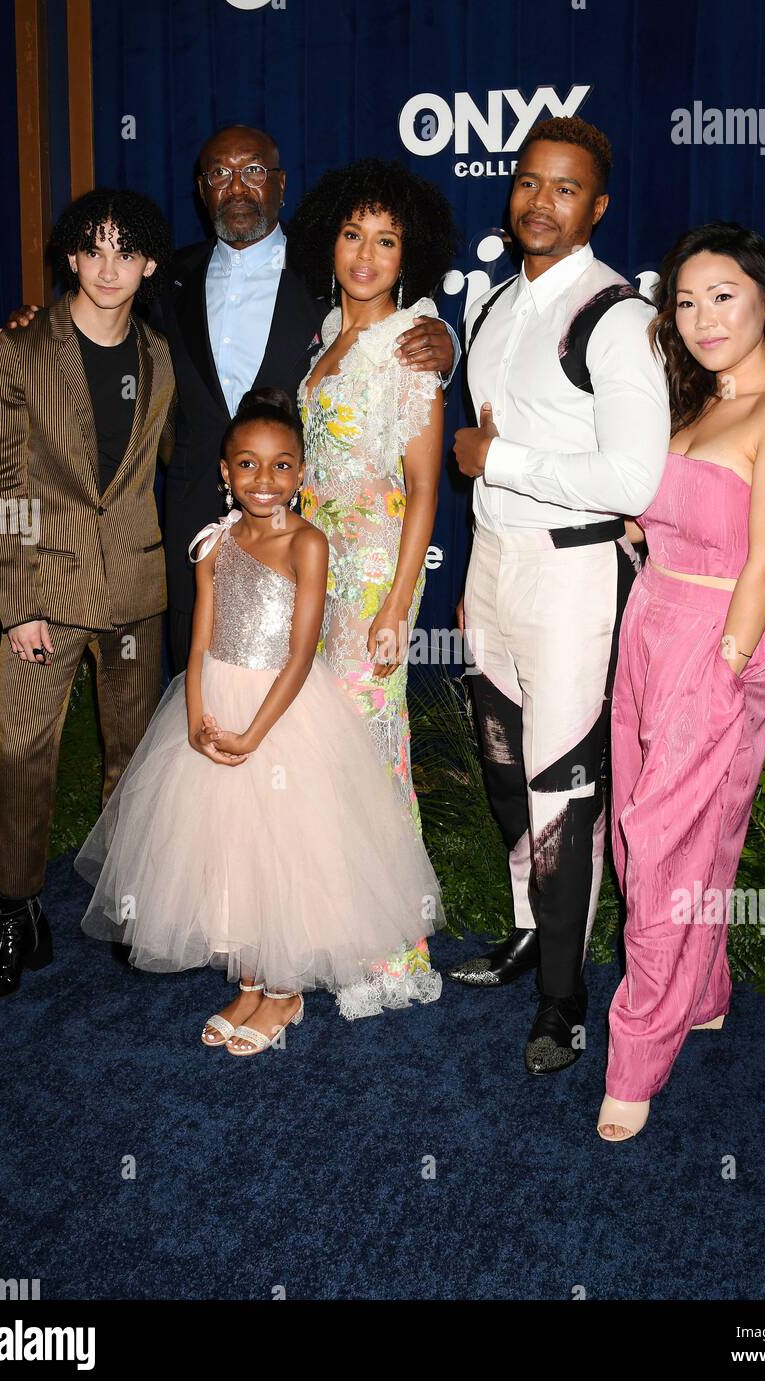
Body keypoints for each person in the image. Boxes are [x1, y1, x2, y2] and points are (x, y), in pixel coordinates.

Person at [5, 124, 458, 675]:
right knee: (201, 683)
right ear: (202, 189)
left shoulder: (327, 269)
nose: (237, 186)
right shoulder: (168, 276)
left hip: (300, 528)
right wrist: (38, 321)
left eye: (254, 171)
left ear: (281, 183)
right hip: (195, 513)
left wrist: (447, 344)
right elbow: (106, 325)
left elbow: (386, 333)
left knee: (297, 693)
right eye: (220, 173)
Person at [75, 389, 444, 1050]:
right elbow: (196, 642)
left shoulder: (308, 542)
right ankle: (249, 983)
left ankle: (285, 992)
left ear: (301, 475)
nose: (264, 480)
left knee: (287, 848)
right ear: (224, 472)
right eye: (247, 464)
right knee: (230, 850)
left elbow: (302, 655)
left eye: (280, 466)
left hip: (283, 712)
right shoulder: (215, 544)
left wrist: (253, 733)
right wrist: (195, 715)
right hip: (219, 694)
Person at [598, 222, 765, 1140]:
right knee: (663, 837)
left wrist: (724, 670)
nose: (700, 317)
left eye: (722, 295)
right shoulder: (691, 412)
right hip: (647, 625)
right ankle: (703, 990)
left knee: (661, 851)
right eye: (685, 301)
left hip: (713, 639)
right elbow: (673, 517)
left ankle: (636, 1056)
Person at [450, 117, 670, 1076]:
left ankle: (565, 1001)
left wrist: (504, 459)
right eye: (529, 184)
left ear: (599, 205)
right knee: (502, 767)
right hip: (492, 563)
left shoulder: (619, 317)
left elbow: (633, 477)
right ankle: (533, 930)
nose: (542, 202)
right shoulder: (493, 305)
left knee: (559, 791)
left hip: (572, 575)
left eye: (566, 188)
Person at [0, 189, 176, 1006]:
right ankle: (19, 917)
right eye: (93, 249)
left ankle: (122, 902)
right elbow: (0, 479)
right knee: (23, 760)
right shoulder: (22, 349)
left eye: (126, 251)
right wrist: (16, 604)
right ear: (71, 257)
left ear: (150, 263)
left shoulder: (158, 356)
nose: (108, 267)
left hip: (134, 590)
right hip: (44, 600)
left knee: (130, 760)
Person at [286, 158, 459, 1018]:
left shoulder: (412, 343)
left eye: (385, 241)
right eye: (353, 234)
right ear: (329, 239)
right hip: (317, 568)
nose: (365, 254)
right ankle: (335, 925)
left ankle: (392, 954)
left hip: (375, 574)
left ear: (408, 255)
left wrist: (396, 605)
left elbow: (424, 486)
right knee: (326, 751)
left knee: (371, 746)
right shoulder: (327, 334)